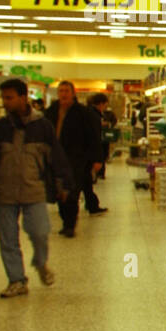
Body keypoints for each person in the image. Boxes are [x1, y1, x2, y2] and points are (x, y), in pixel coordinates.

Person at [0, 78, 73, 297]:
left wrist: (64, 183)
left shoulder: (42, 126)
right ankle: (17, 280)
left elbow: (56, 156)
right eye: (3, 98)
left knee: (39, 231)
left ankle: (41, 262)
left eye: (9, 97)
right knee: (8, 238)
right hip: (4, 191)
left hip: (33, 189)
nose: (5, 102)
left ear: (24, 98)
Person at [44, 81, 105, 234]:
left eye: (66, 91)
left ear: (73, 93)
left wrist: (97, 159)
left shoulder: (83, 113)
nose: (63, 94)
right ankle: (66, 220)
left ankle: (70, 225)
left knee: (73, 191)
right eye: (61, 91)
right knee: (59, 192)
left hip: (76, 159)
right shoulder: (51, 111)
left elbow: (93, 137)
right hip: (55, 158)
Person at [88, 93, 116, 180]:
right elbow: (95, 135)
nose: (105, 107)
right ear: (101, 104)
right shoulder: (94, 115)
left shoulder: (92, 113)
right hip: (93, 146)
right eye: (105, 105)